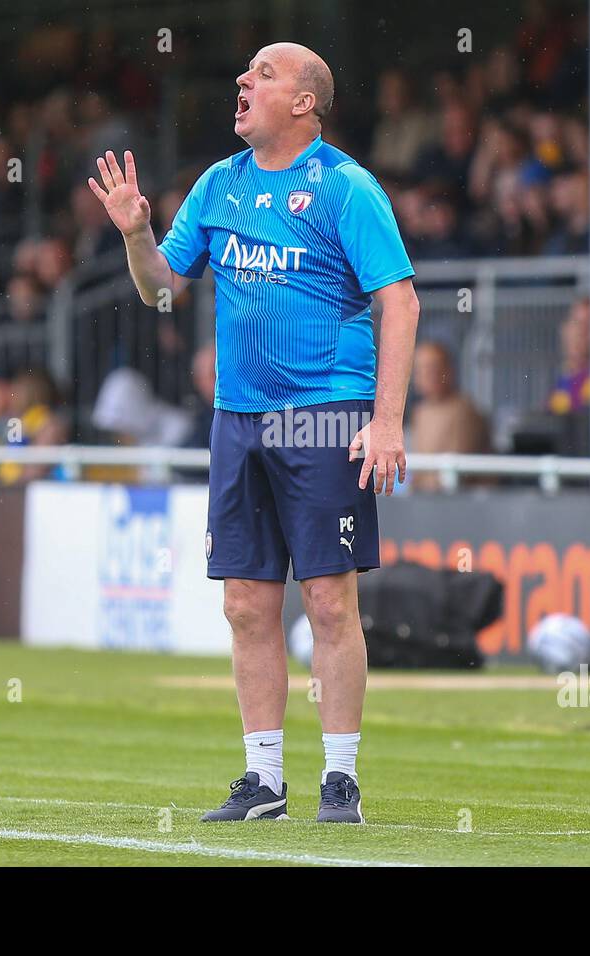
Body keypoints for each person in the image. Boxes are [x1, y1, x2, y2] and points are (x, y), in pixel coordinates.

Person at [90, 41, 418, 823]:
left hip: (326, 412)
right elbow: (161, 291)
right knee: (244, 602)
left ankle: (341, 779)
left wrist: (387, 422)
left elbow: (399, 301)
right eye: (243, 72)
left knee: (330, 602)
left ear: (305, 103)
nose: (242, 81)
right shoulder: (217, 185)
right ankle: (263, 780)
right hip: (238, 417)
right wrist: (137, 233)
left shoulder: (345, 186)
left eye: (264, 75)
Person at [407, 341, 489, 492]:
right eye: (419, 370)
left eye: (432, 368)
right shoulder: (420, 412)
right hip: (423, 500)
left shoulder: (463, 410)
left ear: (448, 371)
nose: (425, 375)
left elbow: (458, 469)